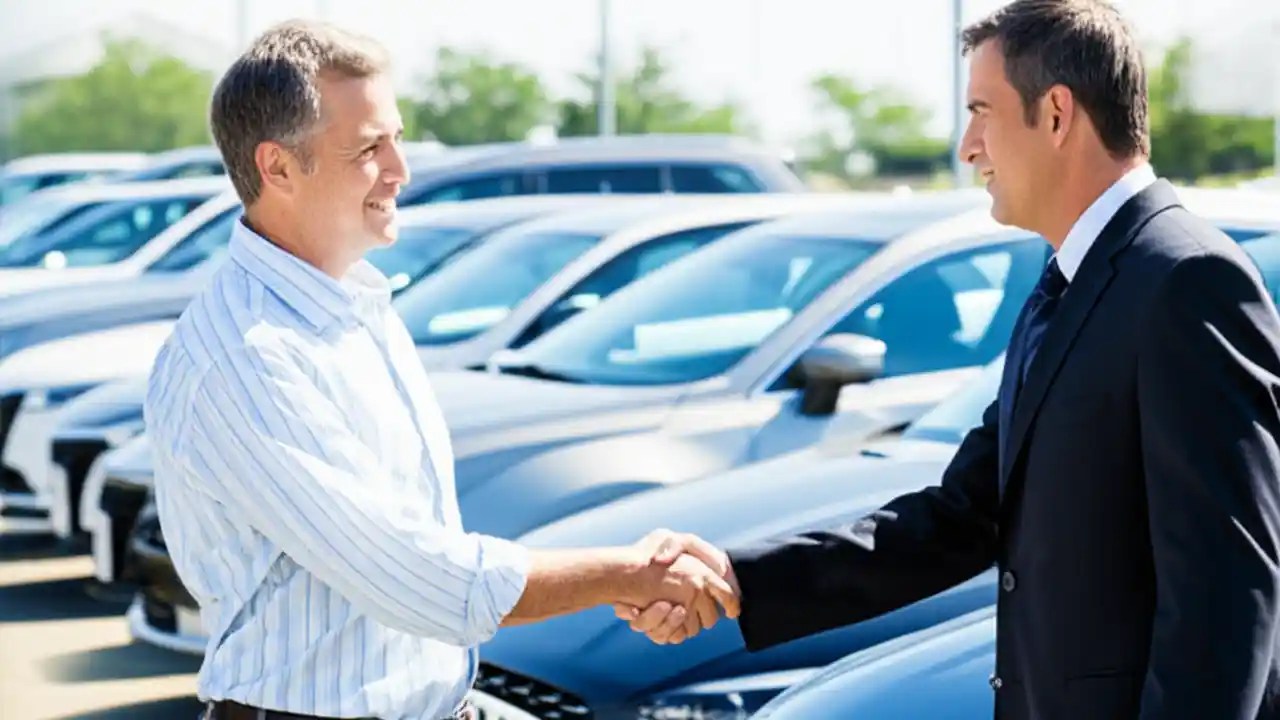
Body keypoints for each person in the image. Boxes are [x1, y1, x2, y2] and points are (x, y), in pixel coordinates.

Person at [618, 1, 1280, 718]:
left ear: (1056, 114)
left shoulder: (1186, 281)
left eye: (981, 111)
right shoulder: (1067, 283)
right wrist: (736, 577)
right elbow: (962, 516)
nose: (968, 147)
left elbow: (1226, 596)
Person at [142, 20, 736, 720]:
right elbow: (422, 579)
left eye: (397, 139)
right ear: (276, 168)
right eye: (369, 147)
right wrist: (627, 577)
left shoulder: (356, 307)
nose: (401, 170)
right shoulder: (245, 356)